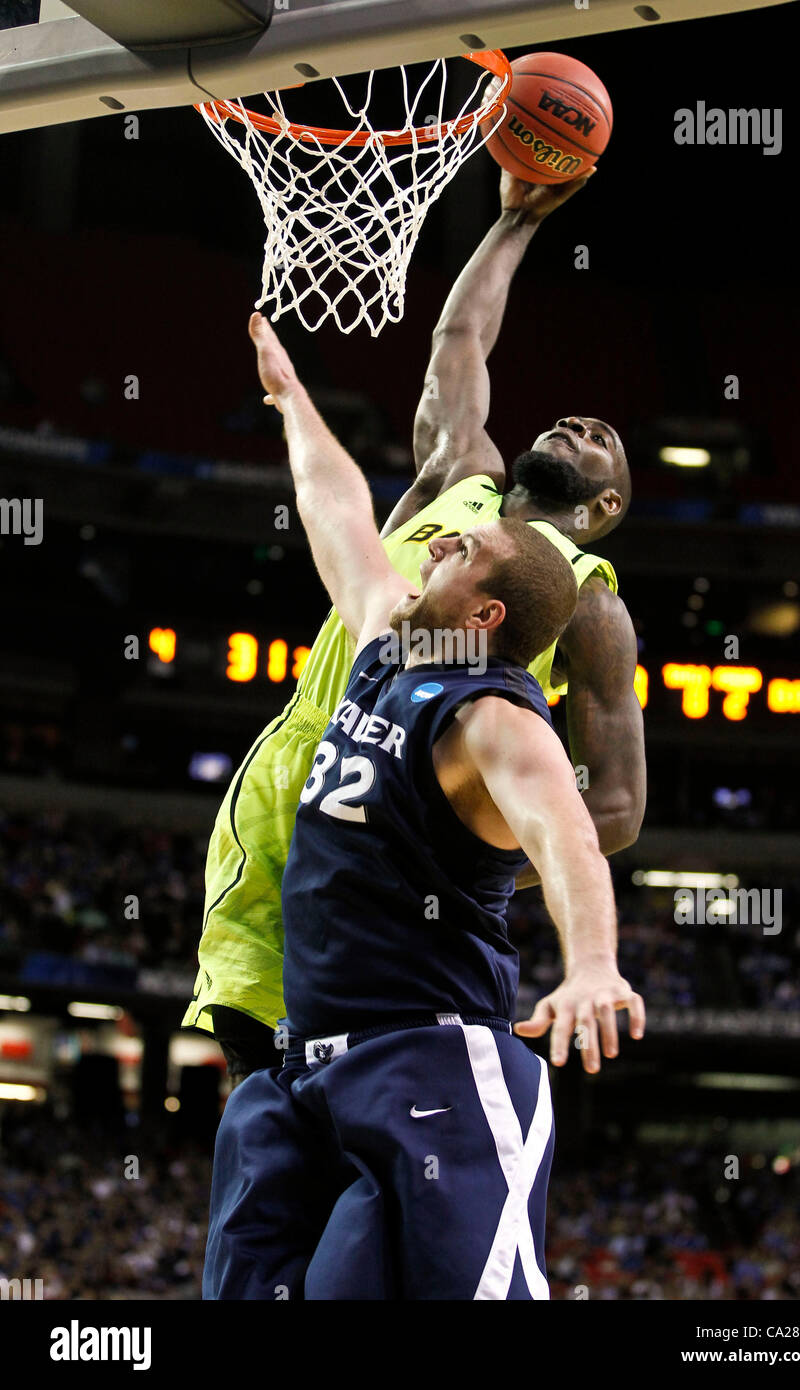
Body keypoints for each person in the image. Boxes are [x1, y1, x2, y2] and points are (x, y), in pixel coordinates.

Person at [202, 315, 645, 1301]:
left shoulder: (492, 717)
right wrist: (293, 404)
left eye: (457, 549)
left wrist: (592, 964)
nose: (437, 535)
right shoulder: (385, 642)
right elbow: (337, 513)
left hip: (426, 1065)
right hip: (299, 1069)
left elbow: (571, 832)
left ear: (483, 613)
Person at [183, 170, 645, 1084]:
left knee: (360, 1101)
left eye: (602, 439)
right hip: (290, 778)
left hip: (400, 826)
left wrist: (443, 861)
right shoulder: (457, 477)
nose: (580, 422)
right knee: (261, 1090)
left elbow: (617, 810)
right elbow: (460, 339)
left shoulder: (590, 602)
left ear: (608, 504)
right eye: (572, 419)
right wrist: (515, 218)